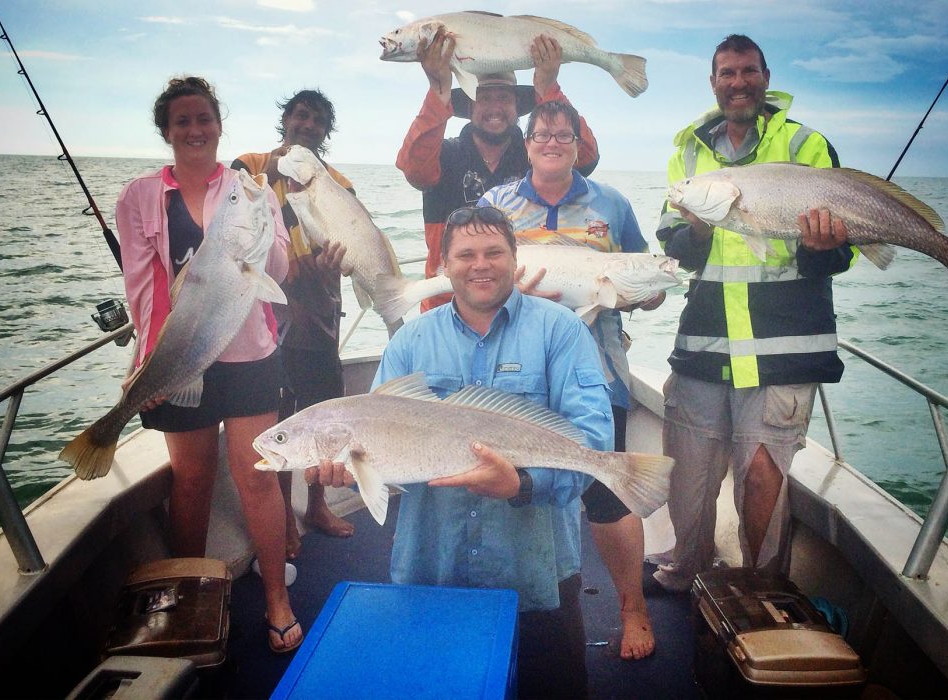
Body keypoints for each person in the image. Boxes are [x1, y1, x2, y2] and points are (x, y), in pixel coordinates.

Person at [309, 206, 612, 698]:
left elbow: (592, 439)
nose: (480, 264)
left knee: (554, 687)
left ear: (515, 261)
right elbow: (377, 443)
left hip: (534, 569)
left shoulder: (561, 330)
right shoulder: (408, 342)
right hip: (435, 563)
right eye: (465, 254)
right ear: (443, 266)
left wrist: (523, 484)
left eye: (494, 252)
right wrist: (350, 467)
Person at [653, 34, 855, 591]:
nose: (737, 82)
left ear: (766, 77)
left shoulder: (807, 144)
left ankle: (758, 589)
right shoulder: (686, 153)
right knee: (688, 478)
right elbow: (672, 240)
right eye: (726, 73)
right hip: (704, 348)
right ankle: (685, 569)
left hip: (784, 349)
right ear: (713, 82)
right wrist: (694, 227)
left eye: (747, 72)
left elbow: (843, 253)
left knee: (762, 479)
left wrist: (824, 244)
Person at [114, 76, 302, 652]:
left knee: (257, 479)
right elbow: (142, 287)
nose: (195, 130)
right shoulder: (141, 197)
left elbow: (282, 272)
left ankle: (277, 598)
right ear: (167, 132)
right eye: (182, 122)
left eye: (204, 119)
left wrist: (266, 224)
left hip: (249, 355)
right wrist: (146, 364)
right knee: (191, 482)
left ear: (219, 125)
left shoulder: (249, 190)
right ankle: (190, 601)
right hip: (182, 354)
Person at [478, 100, 664, 660]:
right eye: (542, 134)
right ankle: (509, 608)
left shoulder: (612, 203)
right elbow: (476, 276)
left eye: (564, 135)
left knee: (607, 495)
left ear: (579, 145)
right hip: (516, 376)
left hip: (597, 371)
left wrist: (647, 292)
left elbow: (644, 287)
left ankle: (633, 608)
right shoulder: (496, 203)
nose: (553, 142)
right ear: (527, 142)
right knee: (511, 490)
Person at [232, 89, 356, 554]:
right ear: (286, 118)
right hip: (270, 312)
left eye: (319, 119)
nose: (308, 123)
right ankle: (283, 517)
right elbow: (238, 228)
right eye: (301, 114)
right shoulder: (249, 165)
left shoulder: (338, 182)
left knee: (323, 413)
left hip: (320, 311)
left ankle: (318, 505)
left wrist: (332, 262)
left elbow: (343, 243)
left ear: (326, 131)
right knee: (281, 415)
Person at [396, 30, 600, 311]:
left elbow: (586, 158)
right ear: (469, 106)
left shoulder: (537, 153)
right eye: (484, 98)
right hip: (449, 305)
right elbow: (413, 170)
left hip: (526, 303)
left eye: (504, 98)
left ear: (518, 106)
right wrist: (437, 91)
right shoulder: (443, 152)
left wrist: (548, 87)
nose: (495, 107)